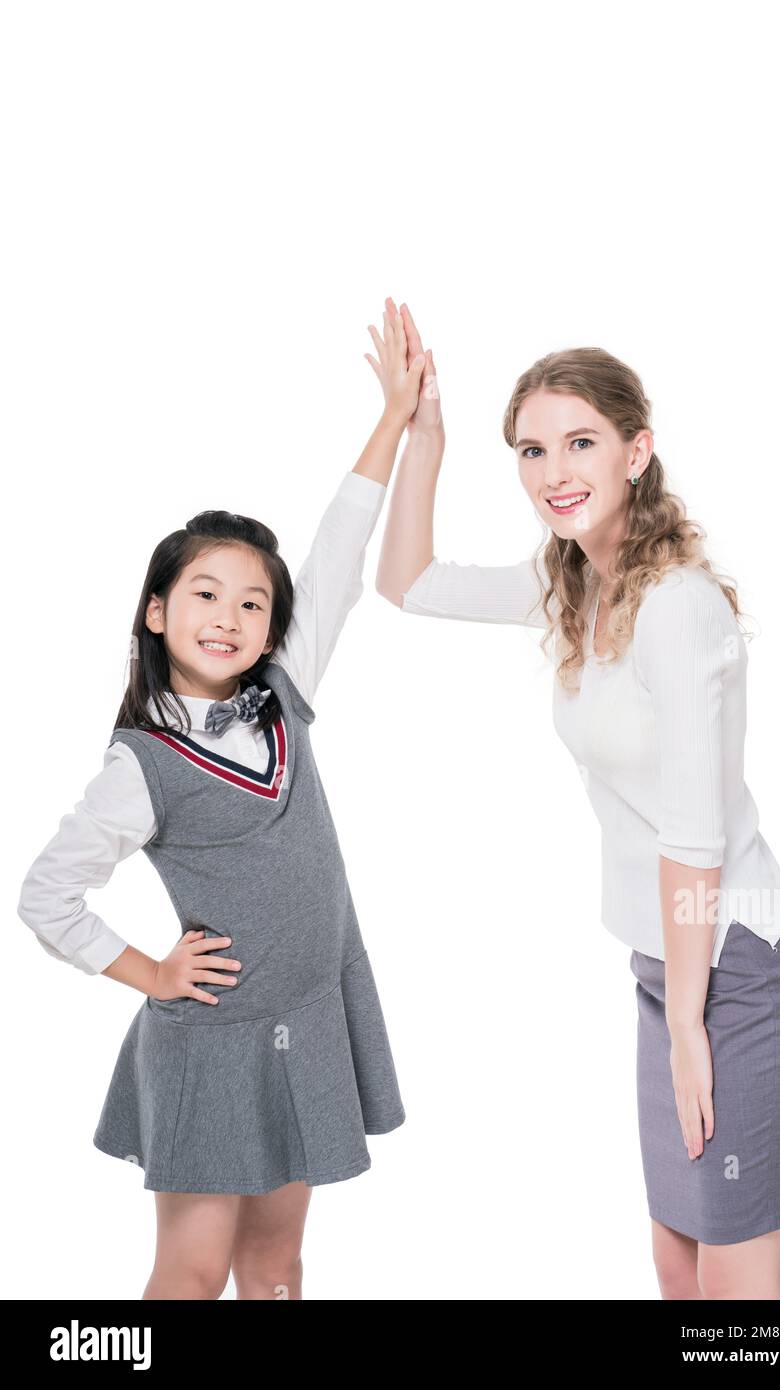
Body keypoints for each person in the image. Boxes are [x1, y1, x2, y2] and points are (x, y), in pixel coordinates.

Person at [373, 297, 780, 1302]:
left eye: (580, 442)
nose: (554, 473)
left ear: (637, 451)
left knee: (738, 1274)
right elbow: (405, 581)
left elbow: (695, 838)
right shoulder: (573, 586)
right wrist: (429, 434)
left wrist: (689, 1028)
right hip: (667, 967)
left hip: (737, 966)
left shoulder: (677, 607)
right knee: (677, 1259)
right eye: (531, 451)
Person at [17, 313, 426, 1301]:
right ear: (157, 611)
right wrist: (152, 971)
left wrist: (395, 418)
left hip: (312, 1018)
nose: (230, 618)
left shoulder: (284, 695)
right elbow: (46, 897)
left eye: (252, 603)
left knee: (277, 1264)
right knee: (192, 1271)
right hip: (215, 1042)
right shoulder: (142, 764)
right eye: (205, 594)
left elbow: (335, 554)